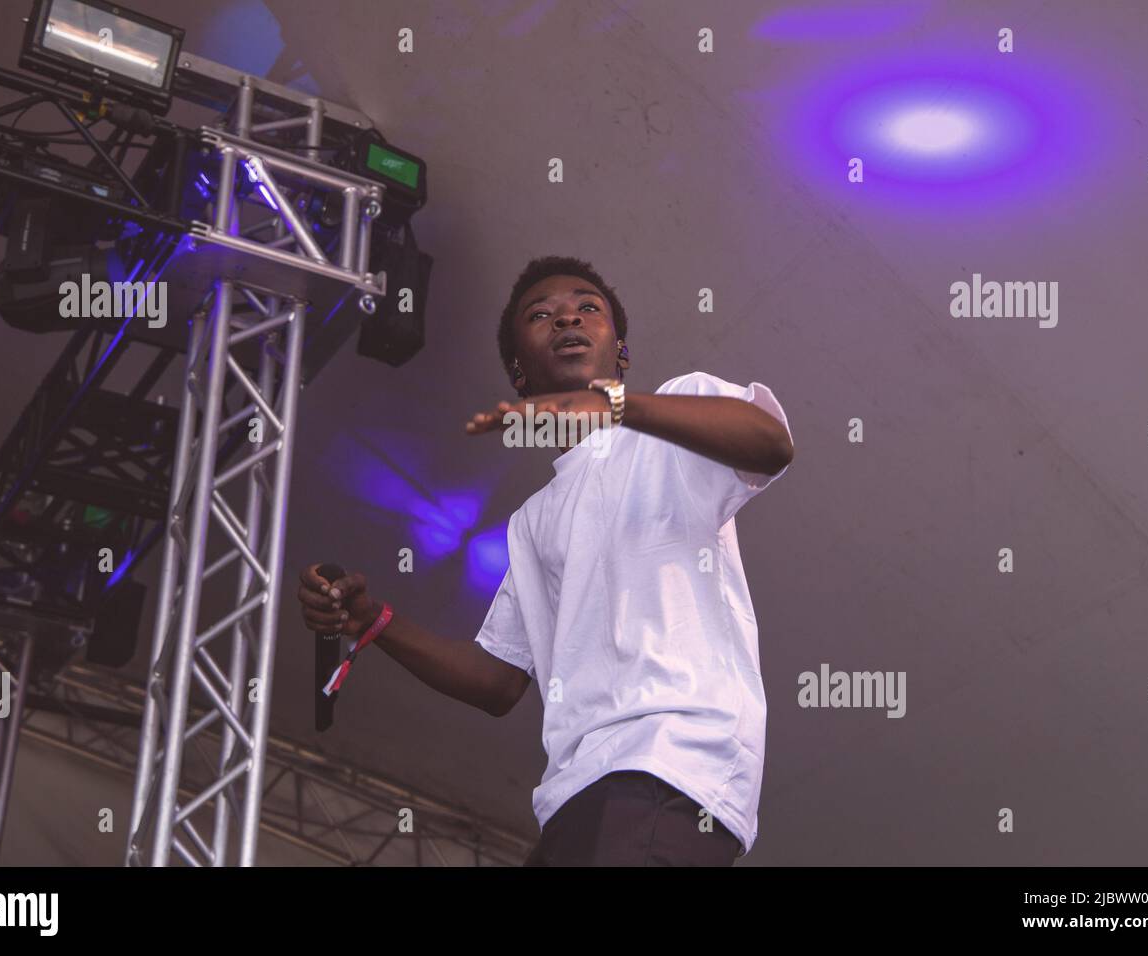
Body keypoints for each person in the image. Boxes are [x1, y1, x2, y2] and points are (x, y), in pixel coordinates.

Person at [297, 255, 794, 866]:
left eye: (588, 307)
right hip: (577, 786)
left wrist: (616, 406)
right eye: (542, 315)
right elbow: (497, 679)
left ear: (621, 353)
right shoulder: (534, 521)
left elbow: (770, 443)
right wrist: (371, 620)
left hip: (670, 758)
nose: (567, 319)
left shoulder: (675, 422)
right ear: (518, 374)